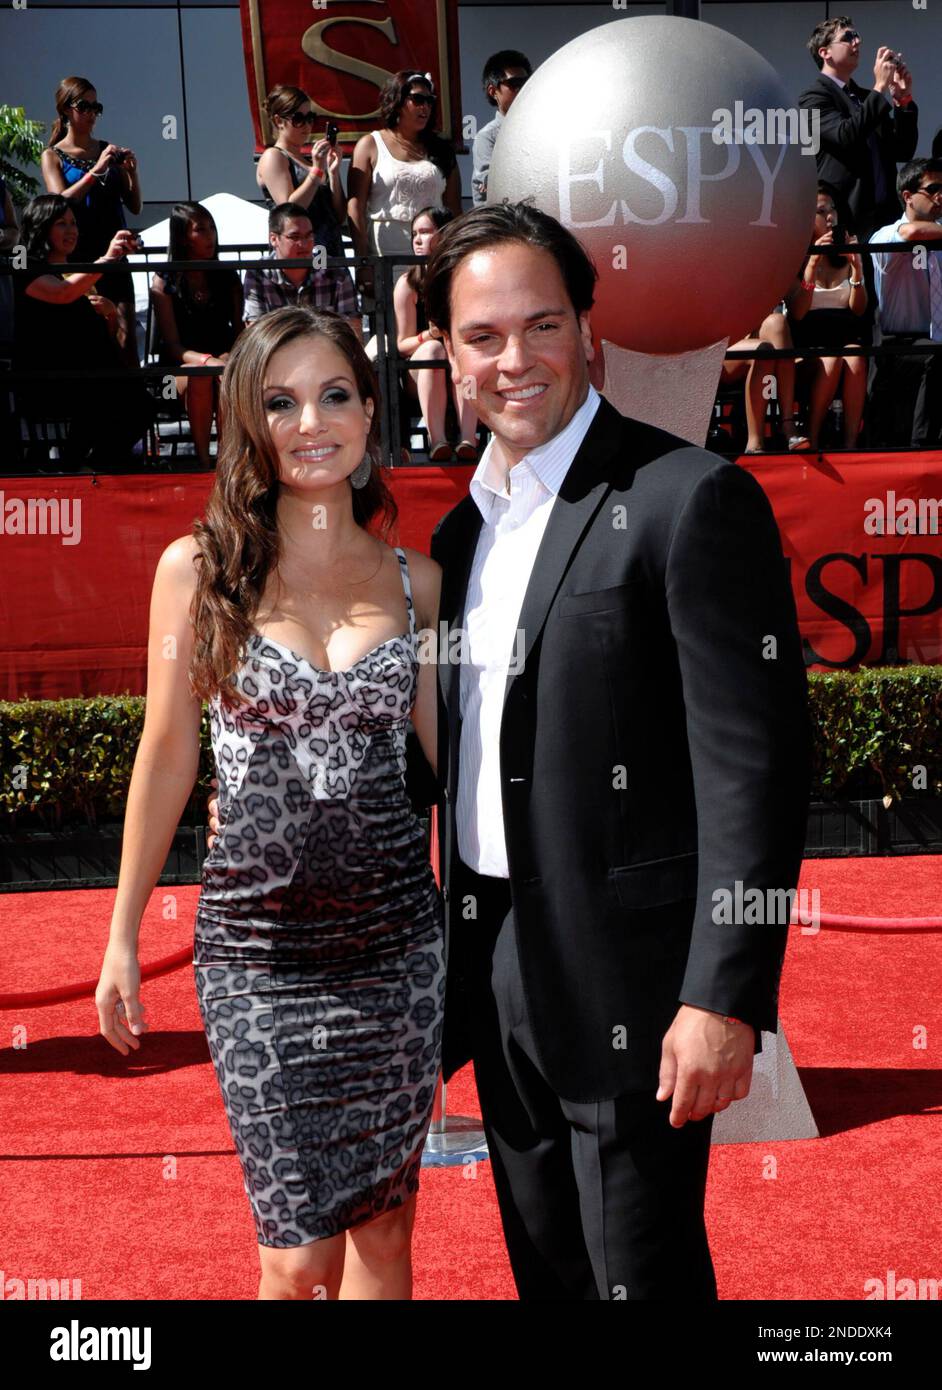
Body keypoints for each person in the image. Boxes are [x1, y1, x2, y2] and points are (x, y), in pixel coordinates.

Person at [423, 202, 811, 1300]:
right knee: (547, 1270)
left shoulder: (688, 498)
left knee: (641, 1274)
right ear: (446, 352)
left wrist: (724, 995)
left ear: (588, 331)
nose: (515, 360)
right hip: (499, 966)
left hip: (638, 981)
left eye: (541, 326)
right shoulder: (462, 535)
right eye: (484, 337)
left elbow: (757, 769)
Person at [95, 306, 445, 1300]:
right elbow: (165, 753)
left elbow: (458, 773)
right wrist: (123, 932)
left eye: (335, 394)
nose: (310, 421)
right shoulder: (197, 571)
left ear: (372, 411)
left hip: (396, 953)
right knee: (295, 1261)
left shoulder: (421, 585)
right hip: (259, 958)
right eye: (280, 401)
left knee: (384, 1230)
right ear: (248, 422)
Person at [13, 194, 153, 469]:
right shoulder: (26, 266)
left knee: (141, 402)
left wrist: (111, 312)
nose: (71, 230)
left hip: (91, 373)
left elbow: (107, 332)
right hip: (49, 377)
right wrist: (108, 258)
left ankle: (92, 464)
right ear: (42, 227)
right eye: (61, 224)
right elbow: (63, 294)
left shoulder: (80, 270)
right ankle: (74, 464)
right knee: (103, 397)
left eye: (73, 223)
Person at [41, 75, 142, 368]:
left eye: (96, 107)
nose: (91, 114)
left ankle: (131, 409)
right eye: (83, 106)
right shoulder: (53, 155)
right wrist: (97, 170)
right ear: (65, 110)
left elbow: (134, 206)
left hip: (114, 255)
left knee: (125, 342)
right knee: (86, 339)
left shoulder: (107, 149)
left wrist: (132, 173)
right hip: (78, 258)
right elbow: (59, 202)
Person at [798, 18, 918, 242]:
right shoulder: (813, 98)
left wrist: (902, 100)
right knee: (851, 278)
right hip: (846, 215)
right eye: (848, 37)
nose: (857, 42)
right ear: (825, 52)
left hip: (885, 217)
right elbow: (845, 136)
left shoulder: (866, 98)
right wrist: (880, 87)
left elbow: (902, 150)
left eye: (857, 36)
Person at [347, 71, 462, 299]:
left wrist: (458, 256)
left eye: (430, 101)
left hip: (433, 256)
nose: (425, 107)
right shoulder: (370, 144)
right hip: (385, 258)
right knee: (393, 327)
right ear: (397, 101)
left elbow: (454, 210)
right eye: (418, 99)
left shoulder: (441, 149)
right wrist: (362, 263)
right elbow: (355, 207)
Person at [150, 201, 243, 468]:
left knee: (224, 374)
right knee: (202, 376)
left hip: (224, 358)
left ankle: (226, 460)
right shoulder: (164, 281)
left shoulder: (227, 276)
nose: (210, 235)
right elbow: (172, 345)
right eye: (200, 229)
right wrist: (205, 360)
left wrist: (226, 357)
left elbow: (239, 332)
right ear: (182, 237)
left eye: (212, 228)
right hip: (179, 364)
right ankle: (204, 462)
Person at [785, 184, 868, 449]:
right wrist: (811, 263)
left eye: (833, 209)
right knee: (831, 360)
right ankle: (814, 437)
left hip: (842, 341)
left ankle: (850, 443)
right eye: (821, 211)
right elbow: (798, 313)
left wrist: (856, 268)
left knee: (855, 355)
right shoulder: (794, 258)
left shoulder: (847, 254)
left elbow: (859, 309)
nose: (830, 216)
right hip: (805, 349)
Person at [868, 157, 942, 448]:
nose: (941, 196)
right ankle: (923, 449)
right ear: (908, 197)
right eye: (933, 188)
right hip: (897, 344)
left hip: (934, 339)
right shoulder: (885, 233)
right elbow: (912, 234)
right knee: (938, 356)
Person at [394, 207, 478, 460]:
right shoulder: (408, 283)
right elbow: (402, 345)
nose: (418, 239)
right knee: (435, 349)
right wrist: (429, 336)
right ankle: (437, 441)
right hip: (419, 370)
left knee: (464, 351)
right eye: (414, 233)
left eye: (426, 232)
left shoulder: (464, 278)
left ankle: (467, 439)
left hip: (459, 362)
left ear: (445, 234)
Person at [255, 85, 347, 265]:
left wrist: (334, 173)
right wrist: (317, 171)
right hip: (298, 257)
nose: (306, 126)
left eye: (310, 118)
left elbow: (339, 216)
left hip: (329, 254)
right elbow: (289, 210)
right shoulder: (274, 156)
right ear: (279, 121)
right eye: (298, 119)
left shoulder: (311, 162)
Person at [243, 203, 361, 341]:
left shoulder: (335, 271)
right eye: (295, 237)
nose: (304, 244)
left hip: (325, 357)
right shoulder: (258, 273)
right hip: (276, 358)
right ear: (274, 239)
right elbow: (255, 334)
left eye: (309, 236)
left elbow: (352, 332)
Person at [719, 310, 806, 453]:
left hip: (748, 331)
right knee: (763, 350)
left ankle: (787, 424)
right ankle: (755, 442)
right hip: (715, 342)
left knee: (777, 323)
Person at [471, 50, 532, 207]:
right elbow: (488, 188)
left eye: (525, 82)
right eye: (513, 84)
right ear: (493, 91)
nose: (521, 89)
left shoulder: (542, 128)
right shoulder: (487, 137)